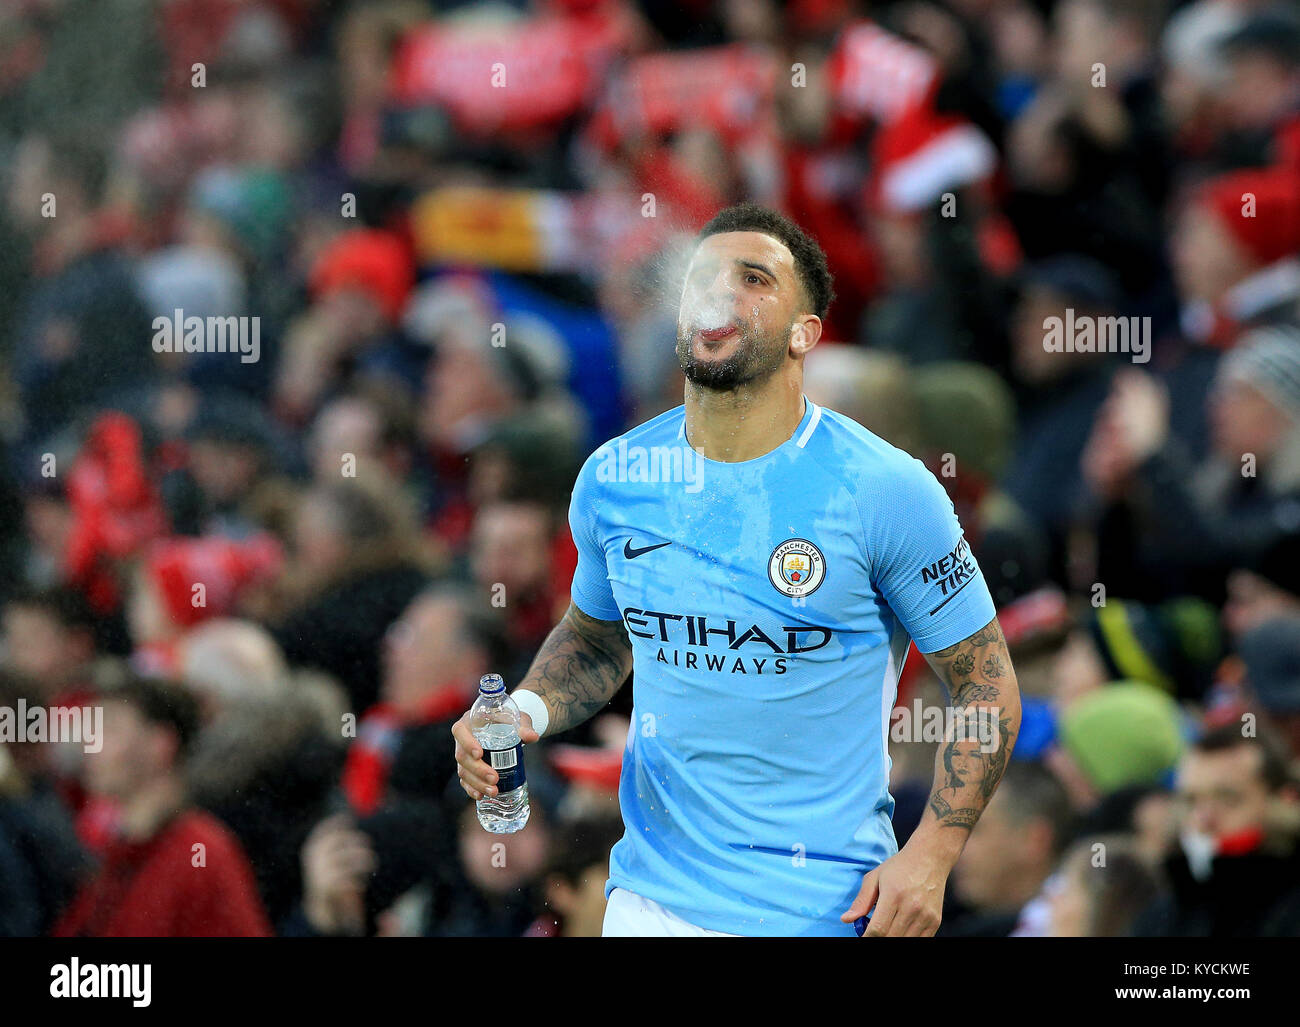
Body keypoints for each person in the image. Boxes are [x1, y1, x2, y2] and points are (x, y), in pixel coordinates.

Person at [453, 203, 1022, 936]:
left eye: (754, 278)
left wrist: (933, 854)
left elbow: (985, 679)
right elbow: (598, 639)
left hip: (820, 908)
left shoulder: (885, 488)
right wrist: (522, 712)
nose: (721, 292)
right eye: (704, 276)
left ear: (804, 331)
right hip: (646, 904)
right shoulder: (615, 477)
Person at [53, 676, 271, 936]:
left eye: (109, 729)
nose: (89, 747)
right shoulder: (118, 851)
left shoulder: (201, 854)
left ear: (160, 744)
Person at [1133, 723, 1300, 936]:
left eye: (1227, 798)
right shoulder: (1164, 913)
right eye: (1191, 801)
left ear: (1285, 800)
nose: (1204, 820)